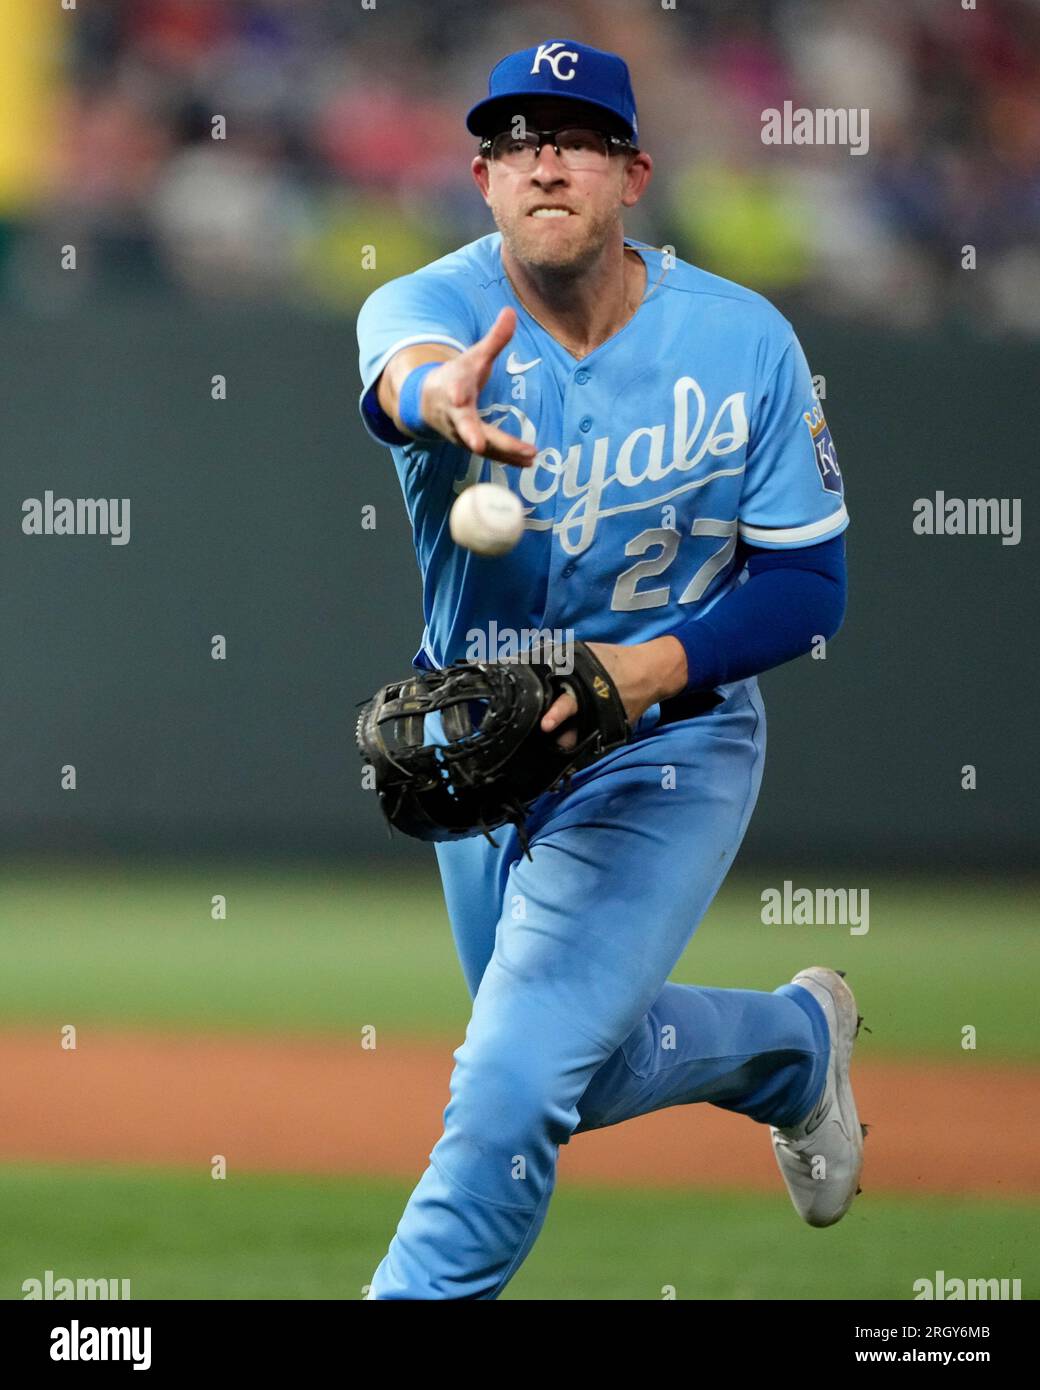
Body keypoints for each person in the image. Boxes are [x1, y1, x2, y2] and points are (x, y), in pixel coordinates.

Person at [356, 39, 861, 1300]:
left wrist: (648, 671)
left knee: (511, 1084)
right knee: (569, 1079)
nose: (543, 161)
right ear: (480, 177)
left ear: (631, 173)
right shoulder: (427, 308)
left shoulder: (741, 342)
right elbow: (399, 376)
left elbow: (808, 590)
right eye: (515, 140)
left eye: (573, 137)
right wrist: (437, 402)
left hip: (664, 745)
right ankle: (794, 1048)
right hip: (483, 745)